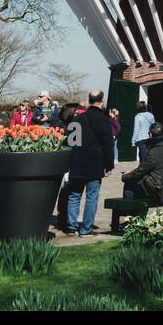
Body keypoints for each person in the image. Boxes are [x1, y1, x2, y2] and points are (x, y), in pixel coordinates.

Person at [65, 91, 113, 236]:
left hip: (77, 161)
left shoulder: (77, 119)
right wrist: (109, 165)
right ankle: (86, 229)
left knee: (74, 195)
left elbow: (71, 142)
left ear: (89, 100)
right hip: (95, 162)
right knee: (91, 197)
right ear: (101, 101)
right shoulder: (104, 119)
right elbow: (108, 145)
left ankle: (71, 226)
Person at [121, 123, 163, 203]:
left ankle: (128, 208)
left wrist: (125, 176)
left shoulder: (154, 151)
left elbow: (140, 171)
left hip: (159, 190)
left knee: (130, 182)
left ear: (150, 135)